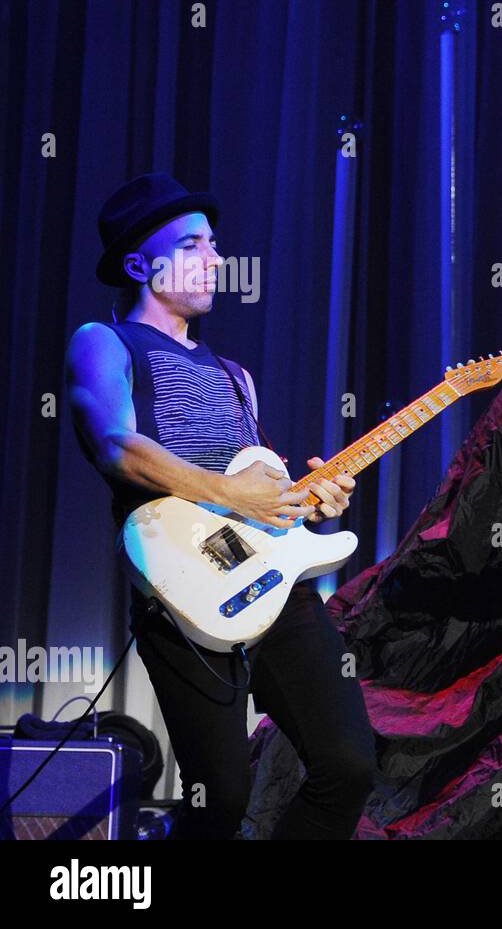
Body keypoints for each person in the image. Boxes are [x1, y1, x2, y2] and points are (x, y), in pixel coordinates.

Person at [65, 173, 377, 839]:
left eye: (216, 245)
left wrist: (307, 497)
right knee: (222, 797)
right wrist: (235, 492)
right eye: (194, 246)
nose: (215, 260)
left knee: (348, 762)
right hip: (180, 594)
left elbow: (260, 486)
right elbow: (118, 446)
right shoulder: (104, 342)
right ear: (139, 263)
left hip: (273, 586)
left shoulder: (237, 376)